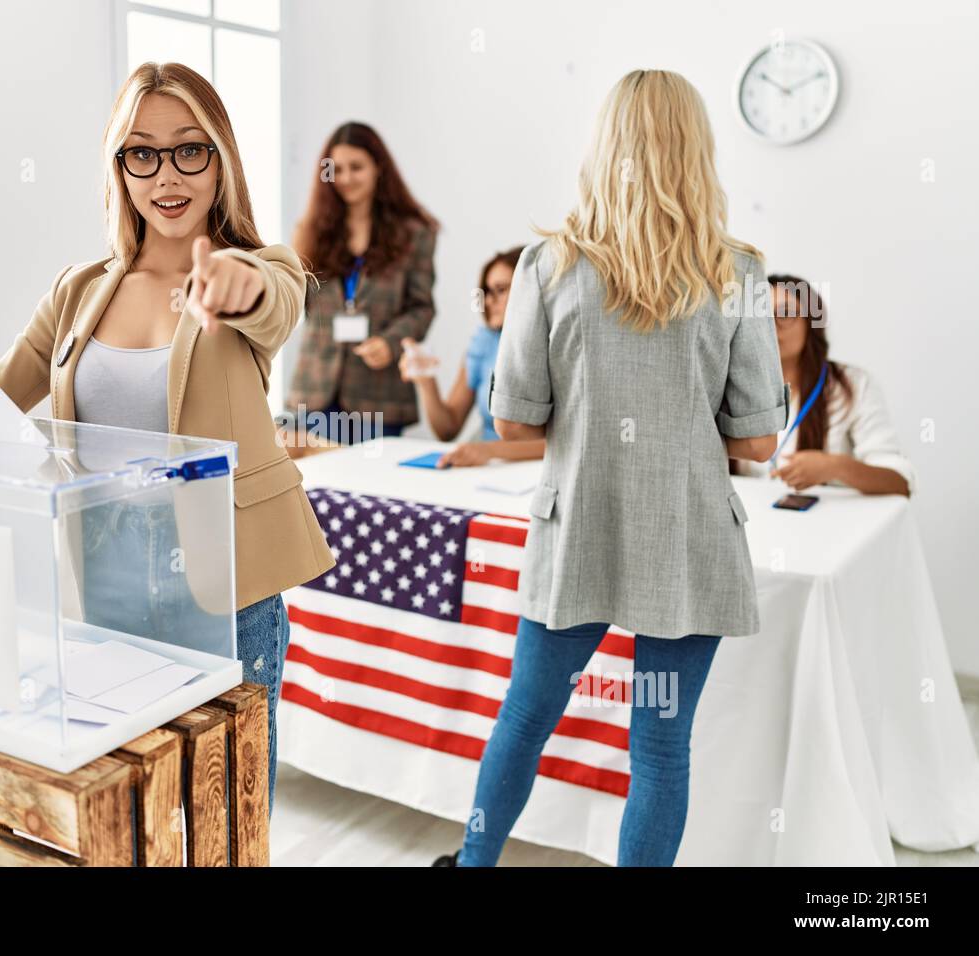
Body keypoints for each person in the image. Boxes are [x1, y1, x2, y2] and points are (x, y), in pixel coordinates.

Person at [0, 62, 335, 807]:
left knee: (228, 817)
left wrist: (234, 284)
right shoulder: (78, 290)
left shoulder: (262, 266)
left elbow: (273, 304)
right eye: (141, 153)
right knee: (134, 813)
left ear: (221, 158)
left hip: (227, 592)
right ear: (119, 168)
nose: (167, 175)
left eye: (191, 149)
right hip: (105, 591)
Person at [434, 69, 788, 867]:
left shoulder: (547, 265)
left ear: (603, 148)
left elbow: (516, 417)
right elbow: (759, 443)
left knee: (524, 719)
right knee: (661, 751)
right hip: (690, 534)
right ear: (698, 149)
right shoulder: (735, 272)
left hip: (578, 525)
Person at [285, 121, 438, 445]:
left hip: (379, 395)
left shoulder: (415, 233)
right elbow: (292, 301)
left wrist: (391, 342)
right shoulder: (309, 232)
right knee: (312, 488)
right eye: (336, 169)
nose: (346, 178)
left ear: (378, 167)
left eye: (356, 167)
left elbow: (421, 308)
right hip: (315, 391)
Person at [730, 275, 914, 495]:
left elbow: (900, 482)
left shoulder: (852, 384)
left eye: (785, 314)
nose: (770, 327)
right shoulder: (730, 386)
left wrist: (835, 467)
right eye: (760, 317)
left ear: (811, 323)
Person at [398, 246, 545, 467]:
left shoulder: (555, 347)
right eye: (486, 291)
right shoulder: (483, 343)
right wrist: (426, 381)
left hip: (534, 475)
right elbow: (447, 429)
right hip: (487, 470)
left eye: (501, 289)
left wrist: (490, 451)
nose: (488, 301)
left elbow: (563, 444)